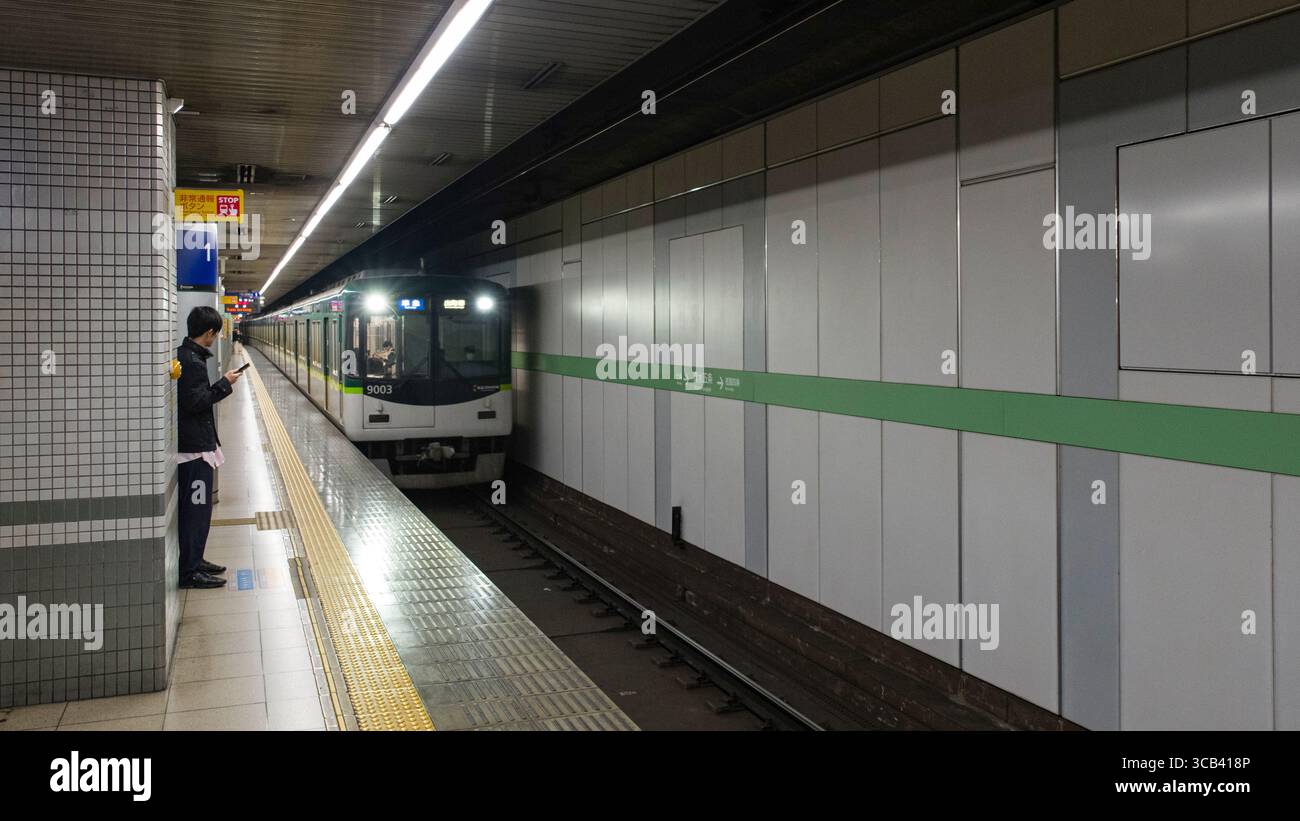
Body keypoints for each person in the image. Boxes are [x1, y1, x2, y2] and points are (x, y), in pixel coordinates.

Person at [176, 306, 244, 589]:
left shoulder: (188, 356)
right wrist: (225, 384)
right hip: (193, 450)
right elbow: (195, 402)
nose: (215, 339)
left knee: (200, 511)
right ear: (209, 333)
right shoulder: (191, 361)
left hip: (196, 445)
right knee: (196, 512)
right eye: (214, 334)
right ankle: (190, 572)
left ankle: (197, 559)